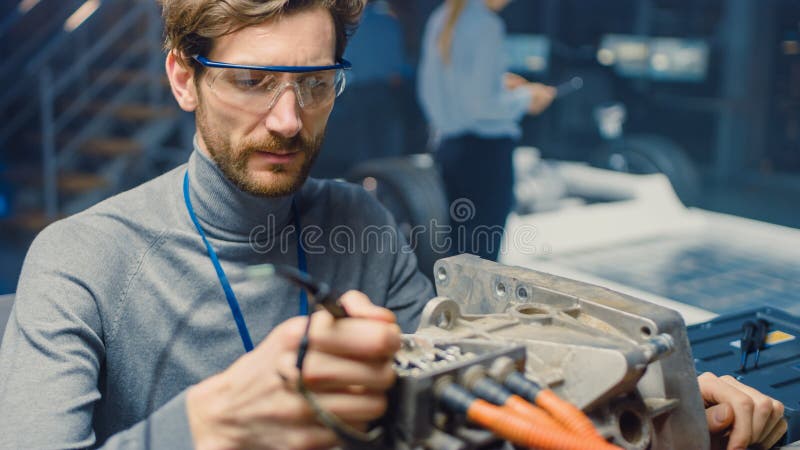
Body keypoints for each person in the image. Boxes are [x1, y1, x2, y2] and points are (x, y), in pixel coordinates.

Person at [0, 1, 787, 449]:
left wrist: (668, 404)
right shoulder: (79, 261)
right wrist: (204, 425)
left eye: (315, 85)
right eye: (249, 81)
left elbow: (470, 392)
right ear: (182, 78)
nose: (287, 119)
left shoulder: (360, 222)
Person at [418, 0, 556, 262]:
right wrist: (528, 97)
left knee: (456, 253)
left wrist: (501, 84)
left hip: (449, 150)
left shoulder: (443, 17)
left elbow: (437, 91)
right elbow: (482, 105)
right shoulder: (486, 25)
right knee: (482, 257)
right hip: (486, 156)